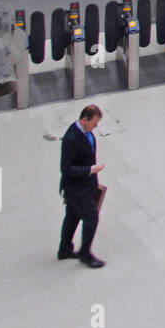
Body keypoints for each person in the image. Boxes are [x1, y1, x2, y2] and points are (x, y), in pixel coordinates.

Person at [58, 104, 107, 269]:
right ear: (84, 119)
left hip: (83, 185)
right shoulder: (71, 138)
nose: (96, 126)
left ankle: (64, 249)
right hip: (77, 189)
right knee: (91, 218)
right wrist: (90, 170)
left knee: (72, 217)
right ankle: (85, 254)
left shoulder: (88, 133)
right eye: (94, 123)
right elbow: (66, 168)